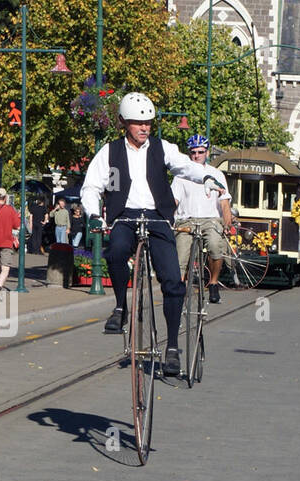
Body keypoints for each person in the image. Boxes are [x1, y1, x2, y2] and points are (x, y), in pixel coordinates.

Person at [79, 92, 218, 378]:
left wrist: (204, 175)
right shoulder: (110, 152)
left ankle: (173, 349)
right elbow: (91, 186)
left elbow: (184, 165)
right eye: (137, 123)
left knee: (171, 279)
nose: (144, 128)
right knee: (116, 251)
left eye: (148, 123)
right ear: (122, 123)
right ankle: (120, 307)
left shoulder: (161, 148)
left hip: (157, 217)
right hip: (124, 216)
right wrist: (94, 214)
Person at [171, 134, 233, 304]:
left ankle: (213, 282)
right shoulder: (180, 175)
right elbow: (174, 201)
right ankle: (179, 288)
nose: (196, 155)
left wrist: (227, 224)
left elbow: (225, 203)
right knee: (180, 256)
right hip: (186, 220)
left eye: (200, 152)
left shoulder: (216, 174)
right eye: (193, 152)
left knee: (215, 245)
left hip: (210, 219)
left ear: (207, 152)